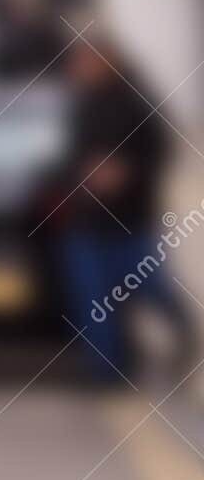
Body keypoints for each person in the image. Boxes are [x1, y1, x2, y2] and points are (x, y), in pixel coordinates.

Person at [55, 35, 196, 386]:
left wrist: (125, 172)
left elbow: (160, 151)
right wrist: (84, 172)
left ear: (108, 61)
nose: (81, 70)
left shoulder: (137, 102)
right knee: (93, 297)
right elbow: (68, 156)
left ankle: (183, 327)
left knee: (149, 286)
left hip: (130, 219)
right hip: (87, 220)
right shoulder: (81, 105)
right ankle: (107, 370)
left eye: (88, 62)